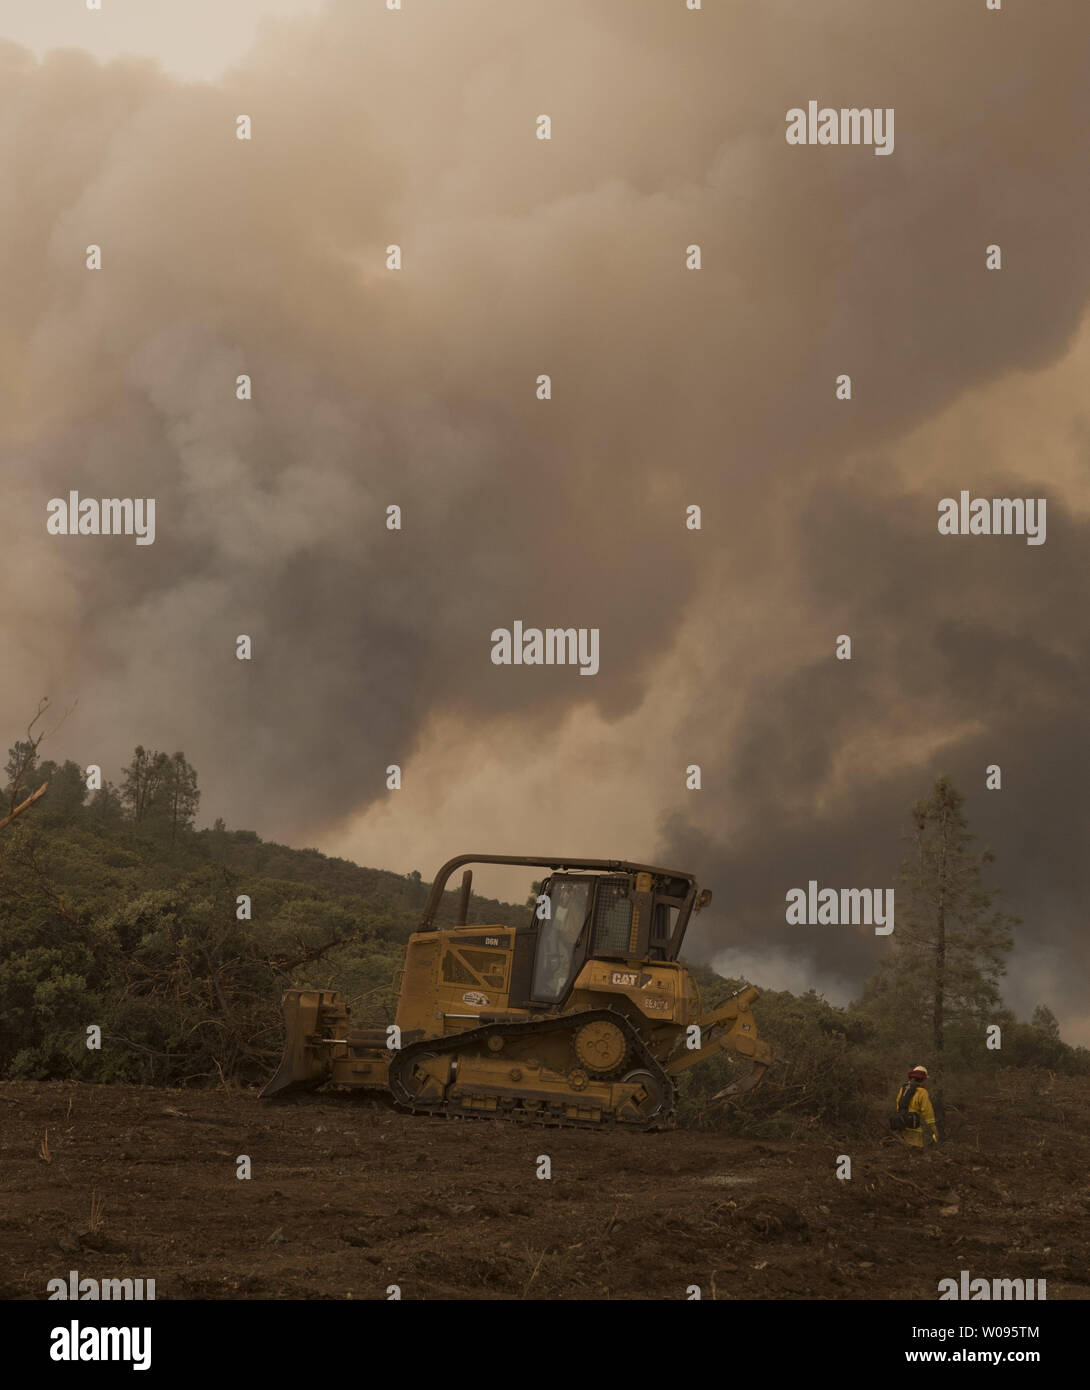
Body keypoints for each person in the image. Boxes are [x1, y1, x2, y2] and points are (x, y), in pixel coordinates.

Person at [896, 1065, 938, 1151]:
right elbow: (928, 1112)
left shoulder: (903, 1089)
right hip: (915, 1128)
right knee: (916, 1152)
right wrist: (934, 1129)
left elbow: (898, 1105)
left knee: (905, 1151)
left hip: (902, 1125)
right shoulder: (922, 1092)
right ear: (923, 1079)